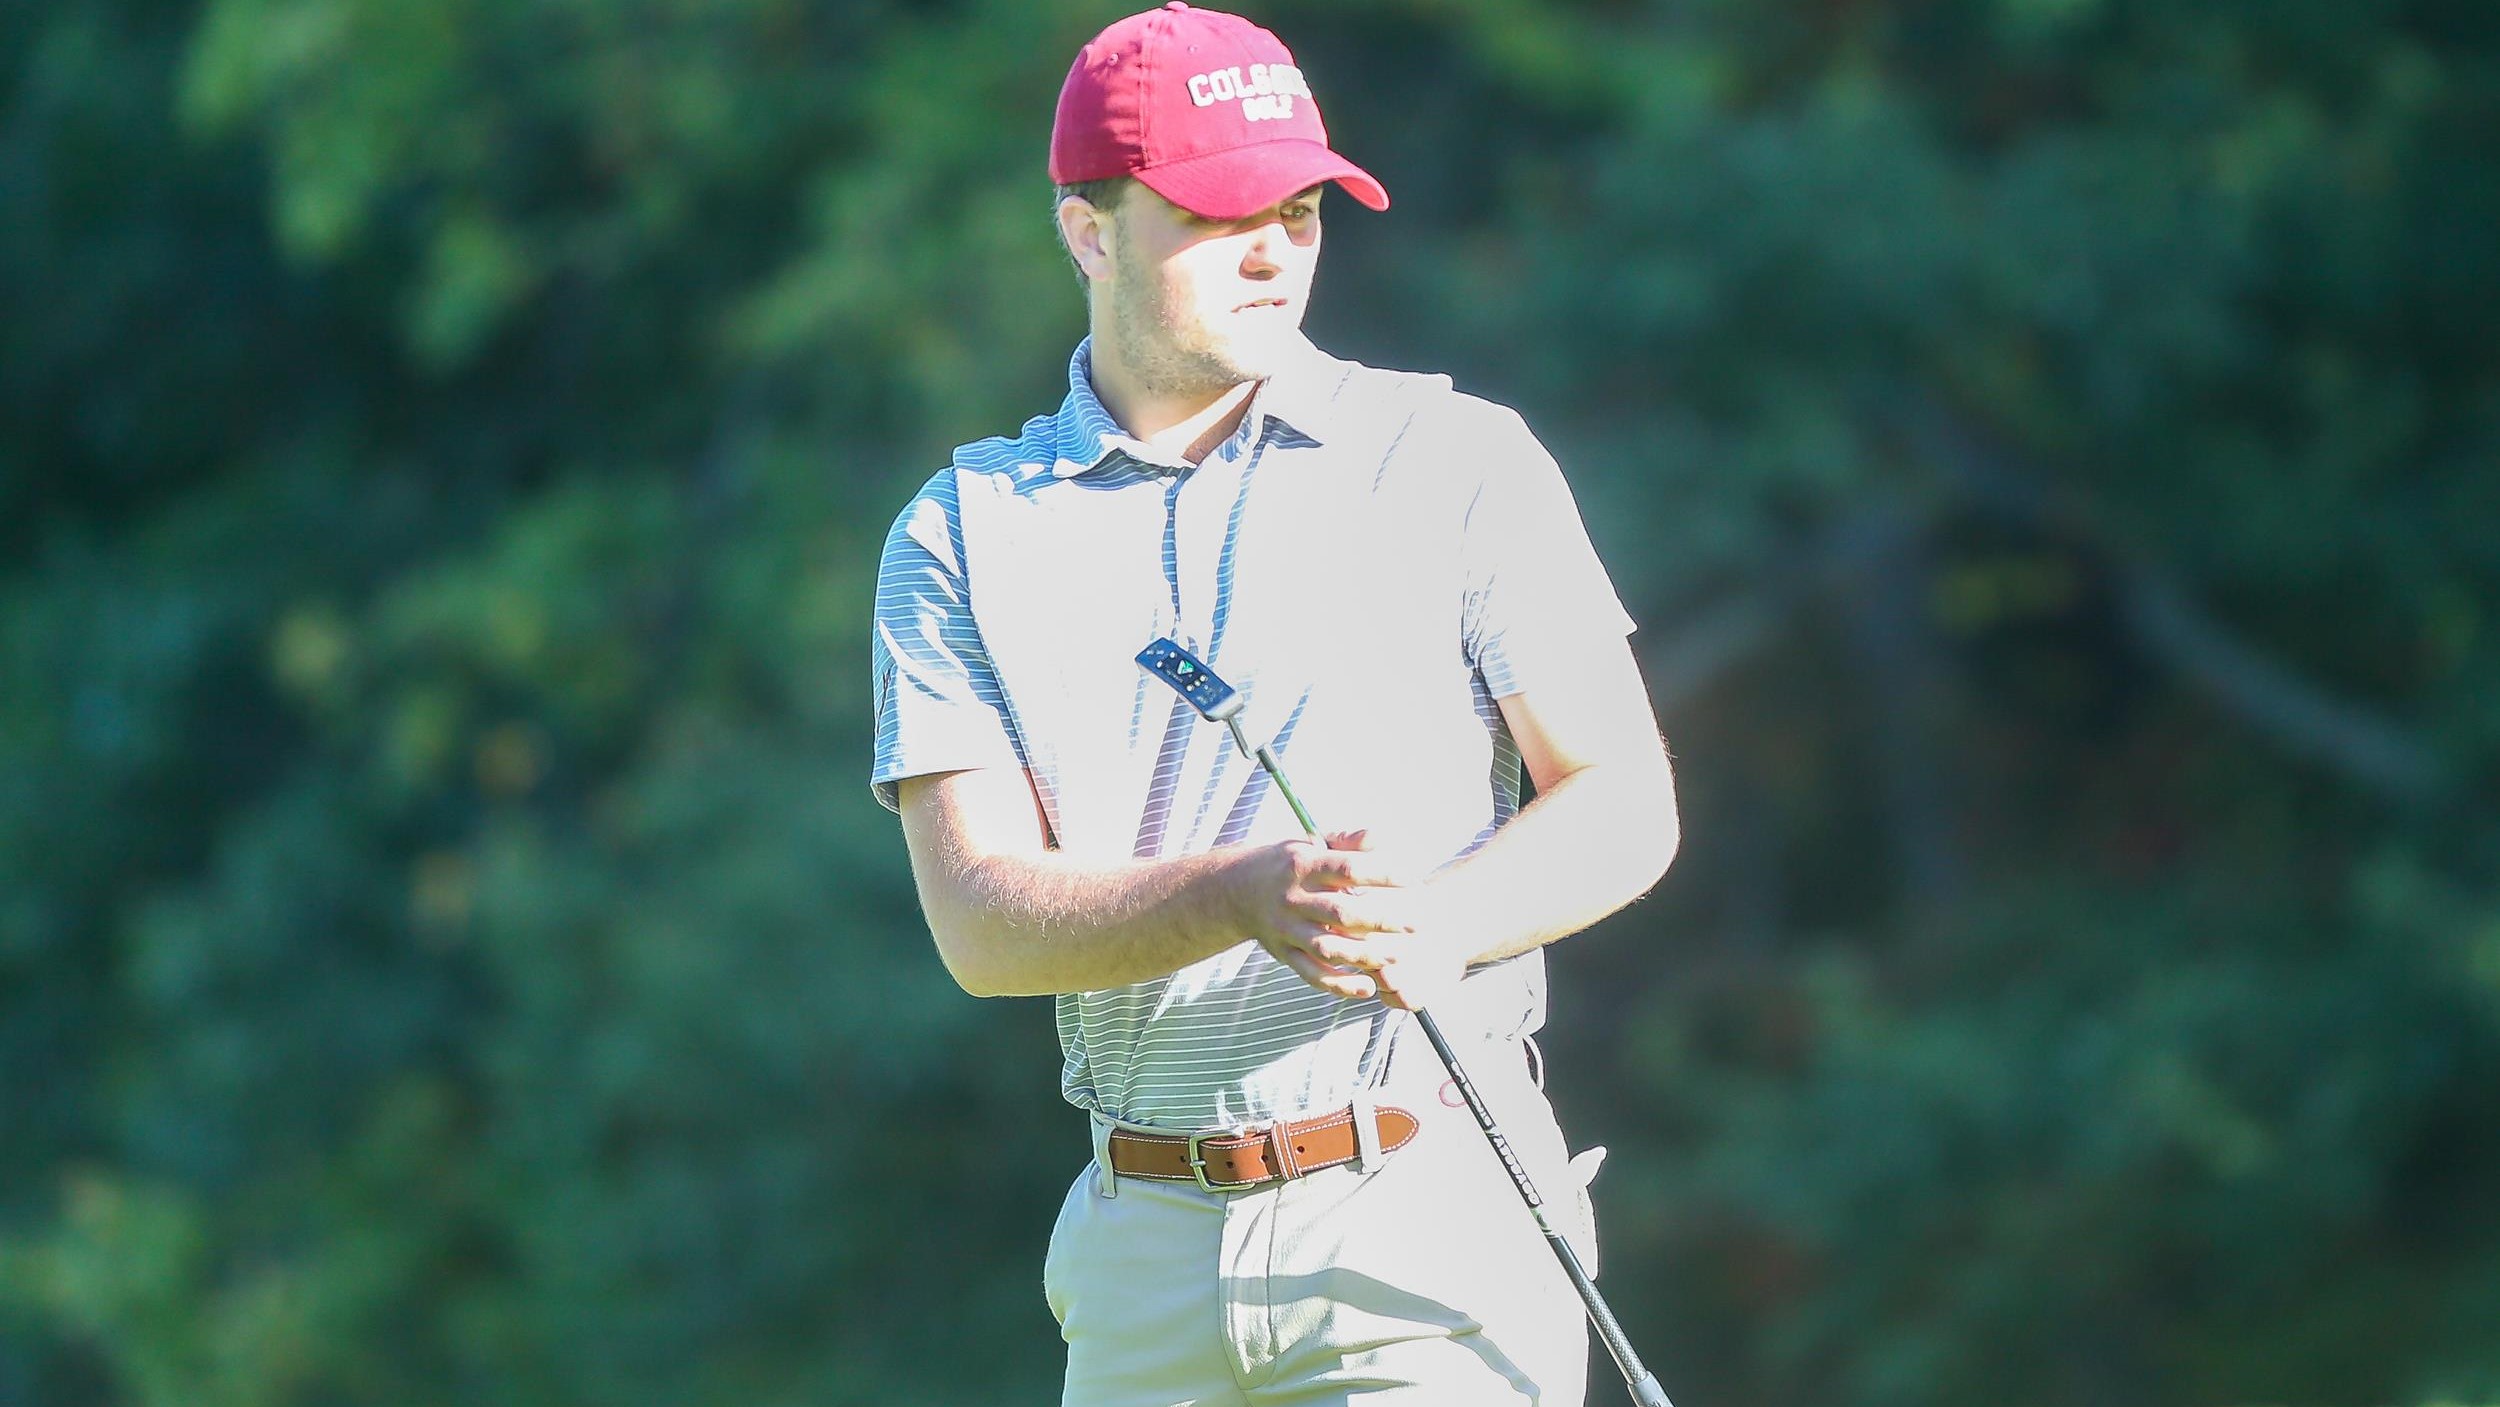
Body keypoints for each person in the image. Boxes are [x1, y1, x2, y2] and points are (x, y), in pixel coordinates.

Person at [869, 4, 1680, 1402]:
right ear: (1088, 230)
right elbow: (978, 925)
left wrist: (1441, 921)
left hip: (1426, 1214)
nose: (1273, 253)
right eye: (1217, 213)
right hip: (1144, 1258)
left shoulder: (1456, 459)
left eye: (1300, 212)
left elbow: (1625, 799)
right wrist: (1241, 893)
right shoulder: (961, 531)